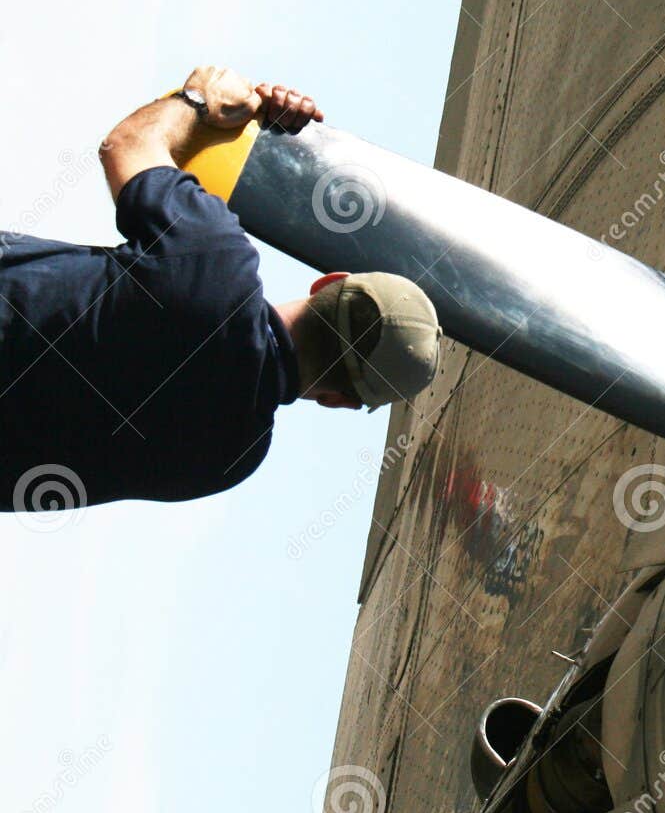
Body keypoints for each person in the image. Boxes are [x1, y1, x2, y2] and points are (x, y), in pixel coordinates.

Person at [0, 66, 442, 511]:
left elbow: (127, 144)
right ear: (337, 402)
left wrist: (202, 102)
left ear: (329, 281)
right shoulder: (229, 460)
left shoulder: (215, 261)